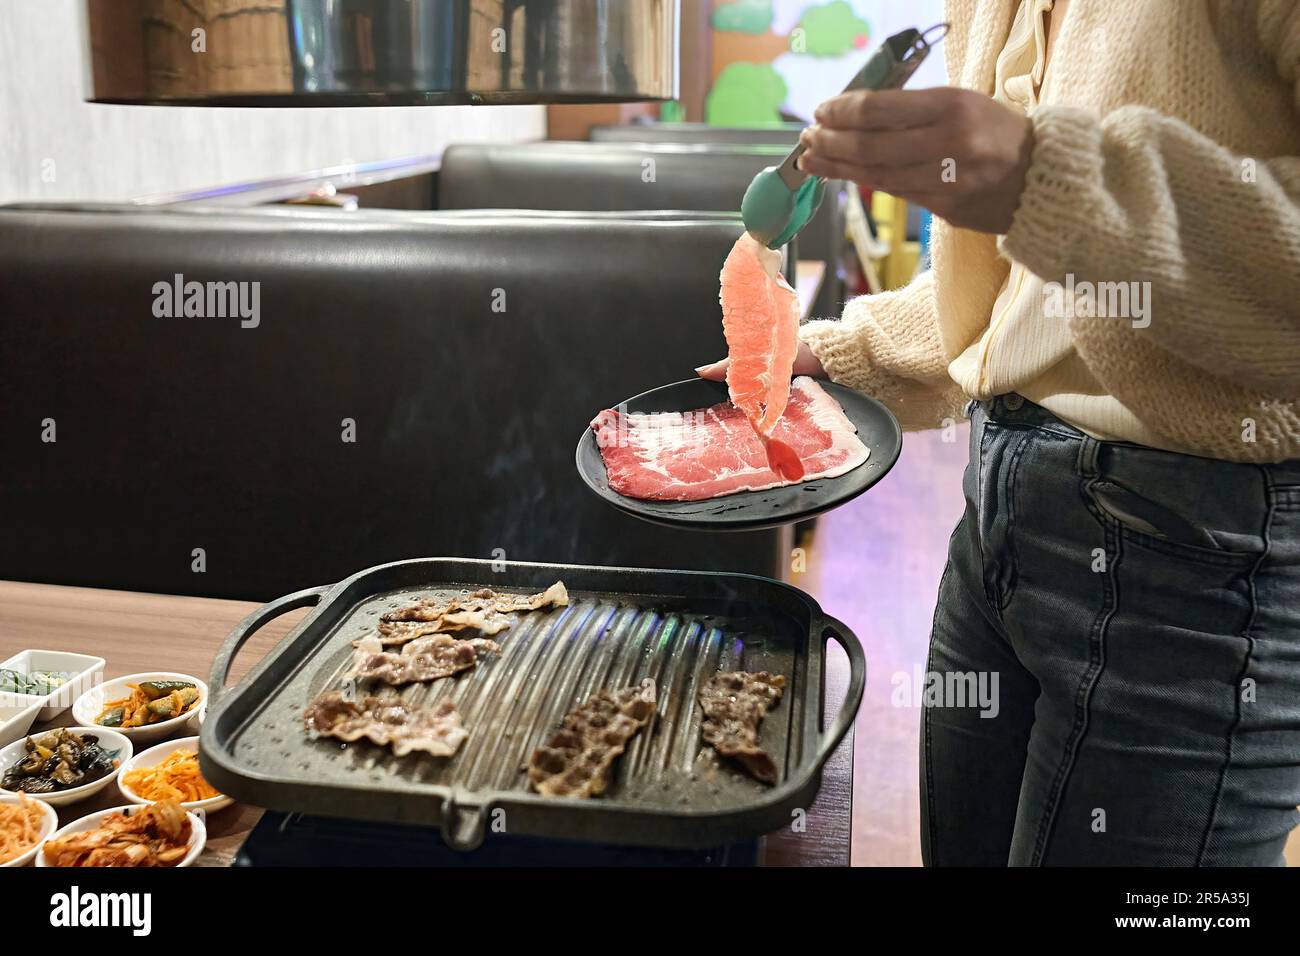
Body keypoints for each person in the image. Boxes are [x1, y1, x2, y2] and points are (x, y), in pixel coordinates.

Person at [699, 0, 1300, 865]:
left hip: (1201, 573)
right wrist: (837, 353)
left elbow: (1062, 205)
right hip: (998, 517)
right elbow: (1013, 296)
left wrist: (1051, 181)